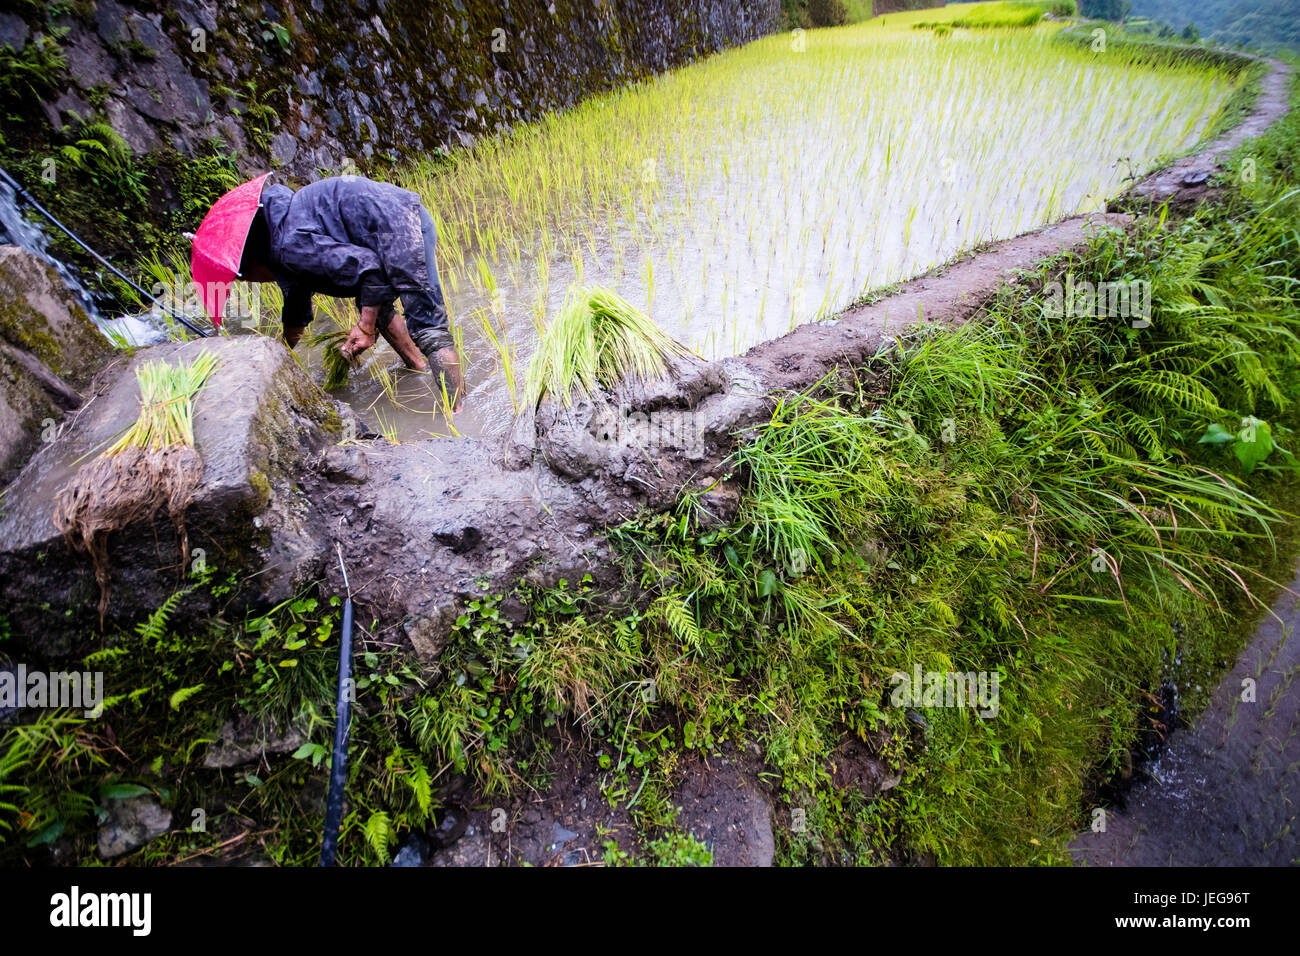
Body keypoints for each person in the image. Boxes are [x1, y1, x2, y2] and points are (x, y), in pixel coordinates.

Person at [238, 174, 464, 410]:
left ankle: (458, 416)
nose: (254, 283)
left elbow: (370, 269)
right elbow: (296, 310)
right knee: (379, 306)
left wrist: (366, 327)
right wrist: (277, 355)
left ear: (253, 262)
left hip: (404, 231)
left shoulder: (289, 244)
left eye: (244, 278)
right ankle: (417, 367)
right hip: (394, 225)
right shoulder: (284, 235)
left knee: (430, 329)